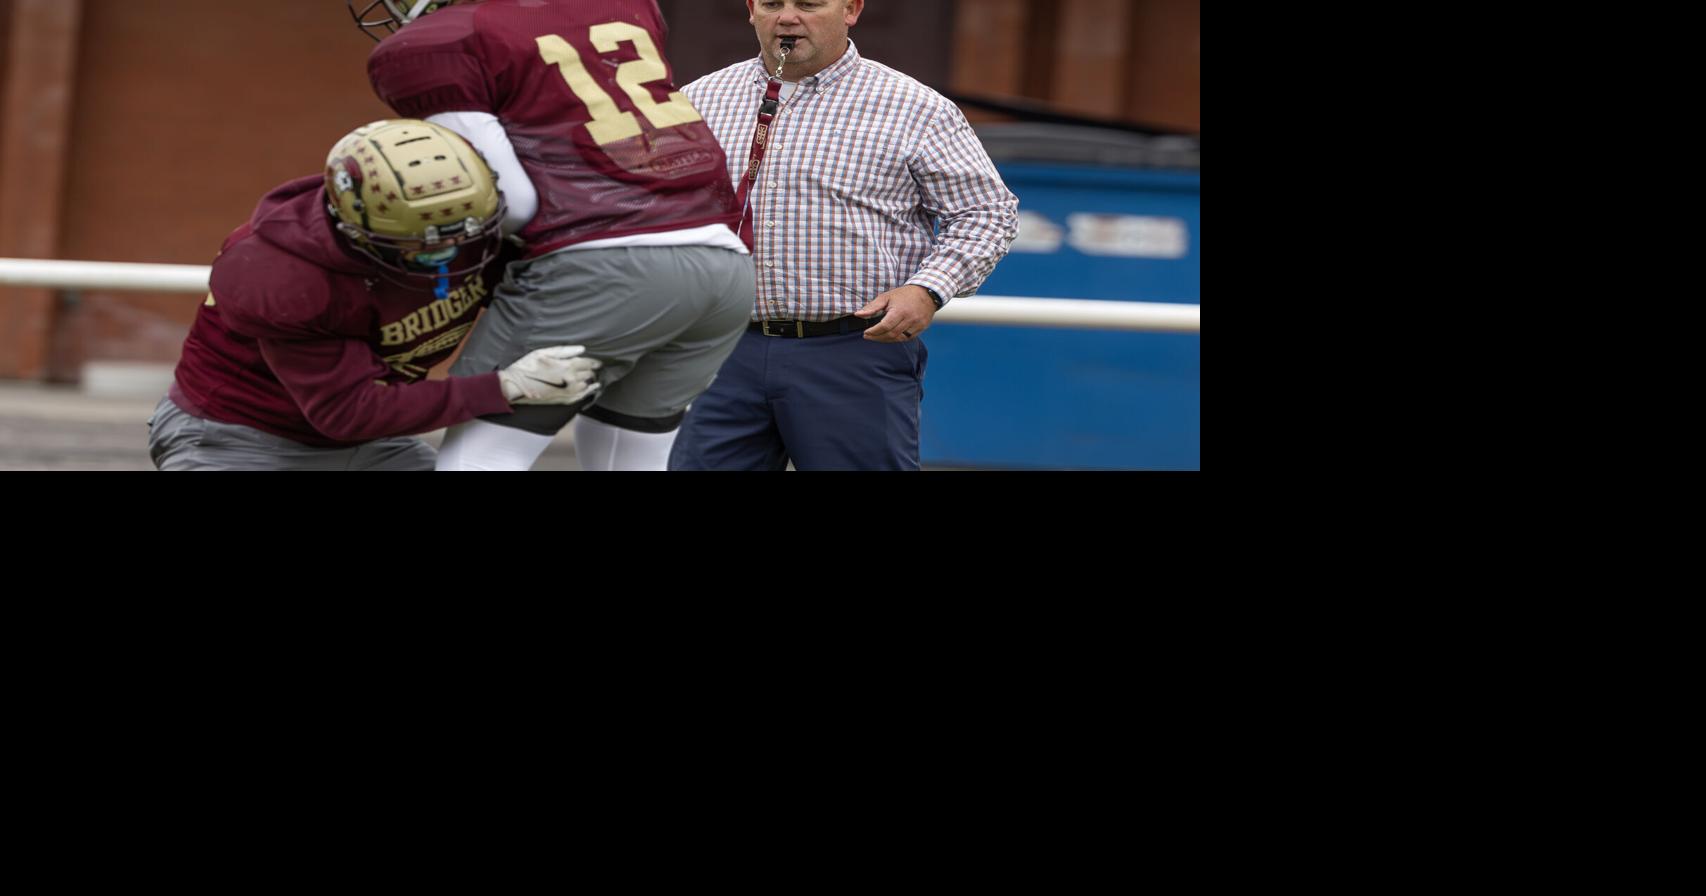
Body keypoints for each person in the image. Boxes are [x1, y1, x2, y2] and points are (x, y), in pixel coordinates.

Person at [351, 0, 756, 471]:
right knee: (630, 455)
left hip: (601, 262)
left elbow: (513, 202)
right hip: (722, 267)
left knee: (483, 455)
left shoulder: (440, 42)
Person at [663, 0, 1020, 471]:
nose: (788, 17)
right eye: (772, 4)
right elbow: (659, 206)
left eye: (809, 4)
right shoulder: (700, 98)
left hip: (853, 349)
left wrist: (927, 289)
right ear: (751, 10)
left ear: (850, 9)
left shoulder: (914, 107)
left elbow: (986, 212)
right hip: (723, 349)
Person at [148, 119, 602, 471]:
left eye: (461, 238)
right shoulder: (283, 273)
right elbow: (347, 410)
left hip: (366, 441)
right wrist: (505, 386)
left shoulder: (468, 218)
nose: (446, 255)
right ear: (354, 229)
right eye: (420, 246)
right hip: (241, 434)